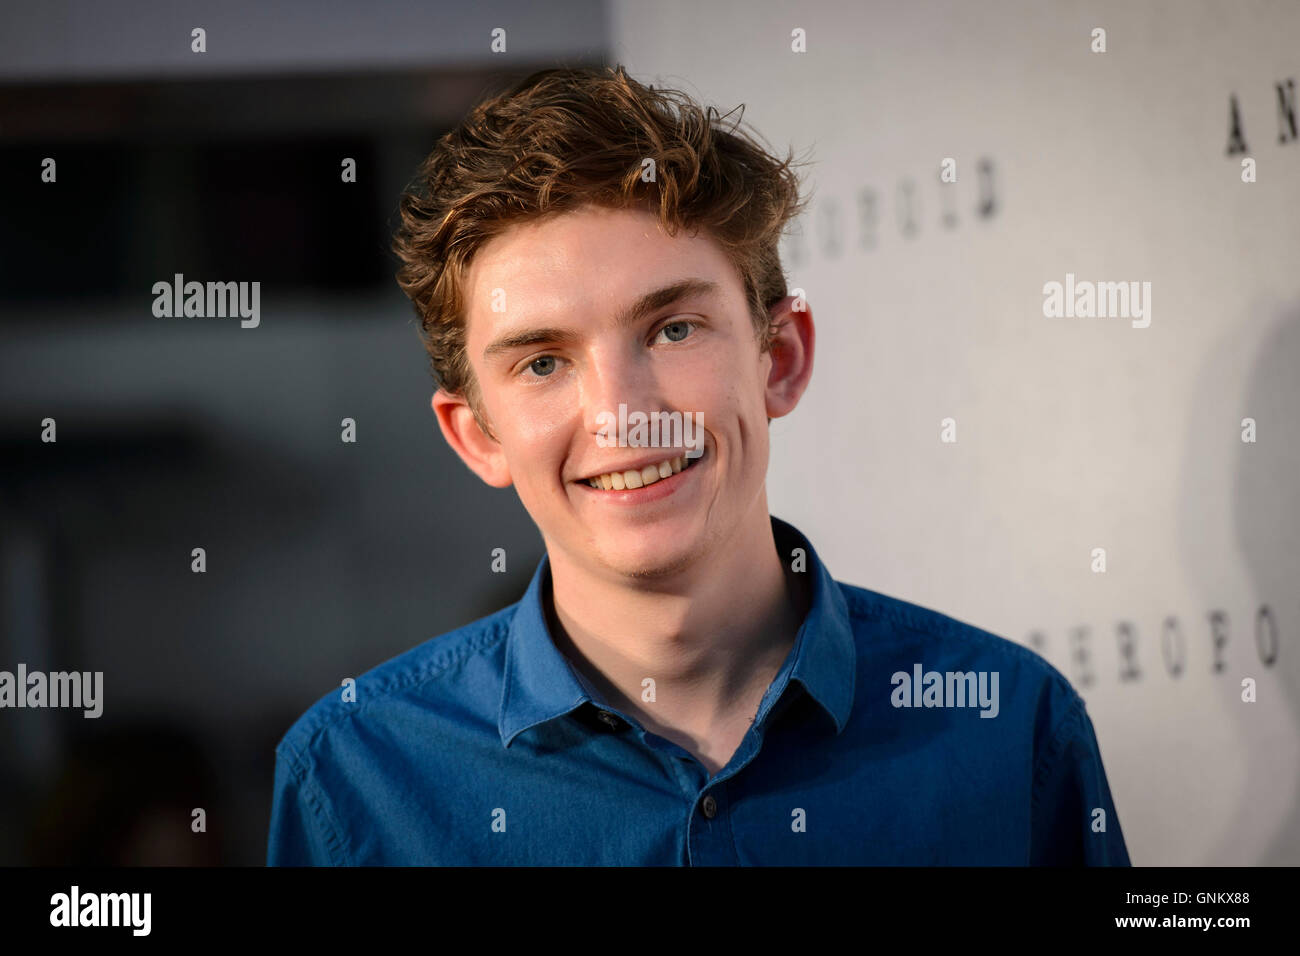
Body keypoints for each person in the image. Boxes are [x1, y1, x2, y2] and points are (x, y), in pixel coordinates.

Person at [267, 64, 1130, 865]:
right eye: (542, 362)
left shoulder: (1010, 728)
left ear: (780, 358)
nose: (621, 413)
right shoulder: (353, 778)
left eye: (672, 330)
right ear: (477, 436)